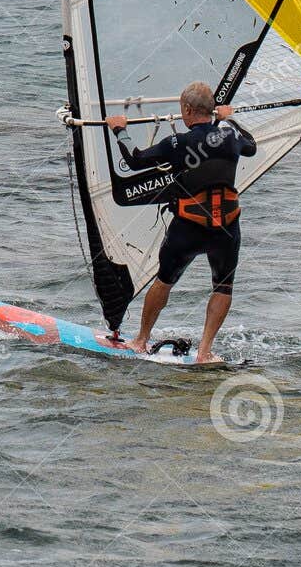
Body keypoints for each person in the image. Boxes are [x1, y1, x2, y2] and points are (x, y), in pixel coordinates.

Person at [104, 80, 257, 364]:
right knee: (223, 286)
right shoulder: (230, 136)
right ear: (211, 110)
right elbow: (252, 147)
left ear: (186, 110)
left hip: (189, 227)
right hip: (226, 228)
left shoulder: (178, 142)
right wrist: (229, 119)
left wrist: (119, 129)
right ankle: (205, 351)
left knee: (164, 280)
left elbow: (136, 161)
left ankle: (140, 340)